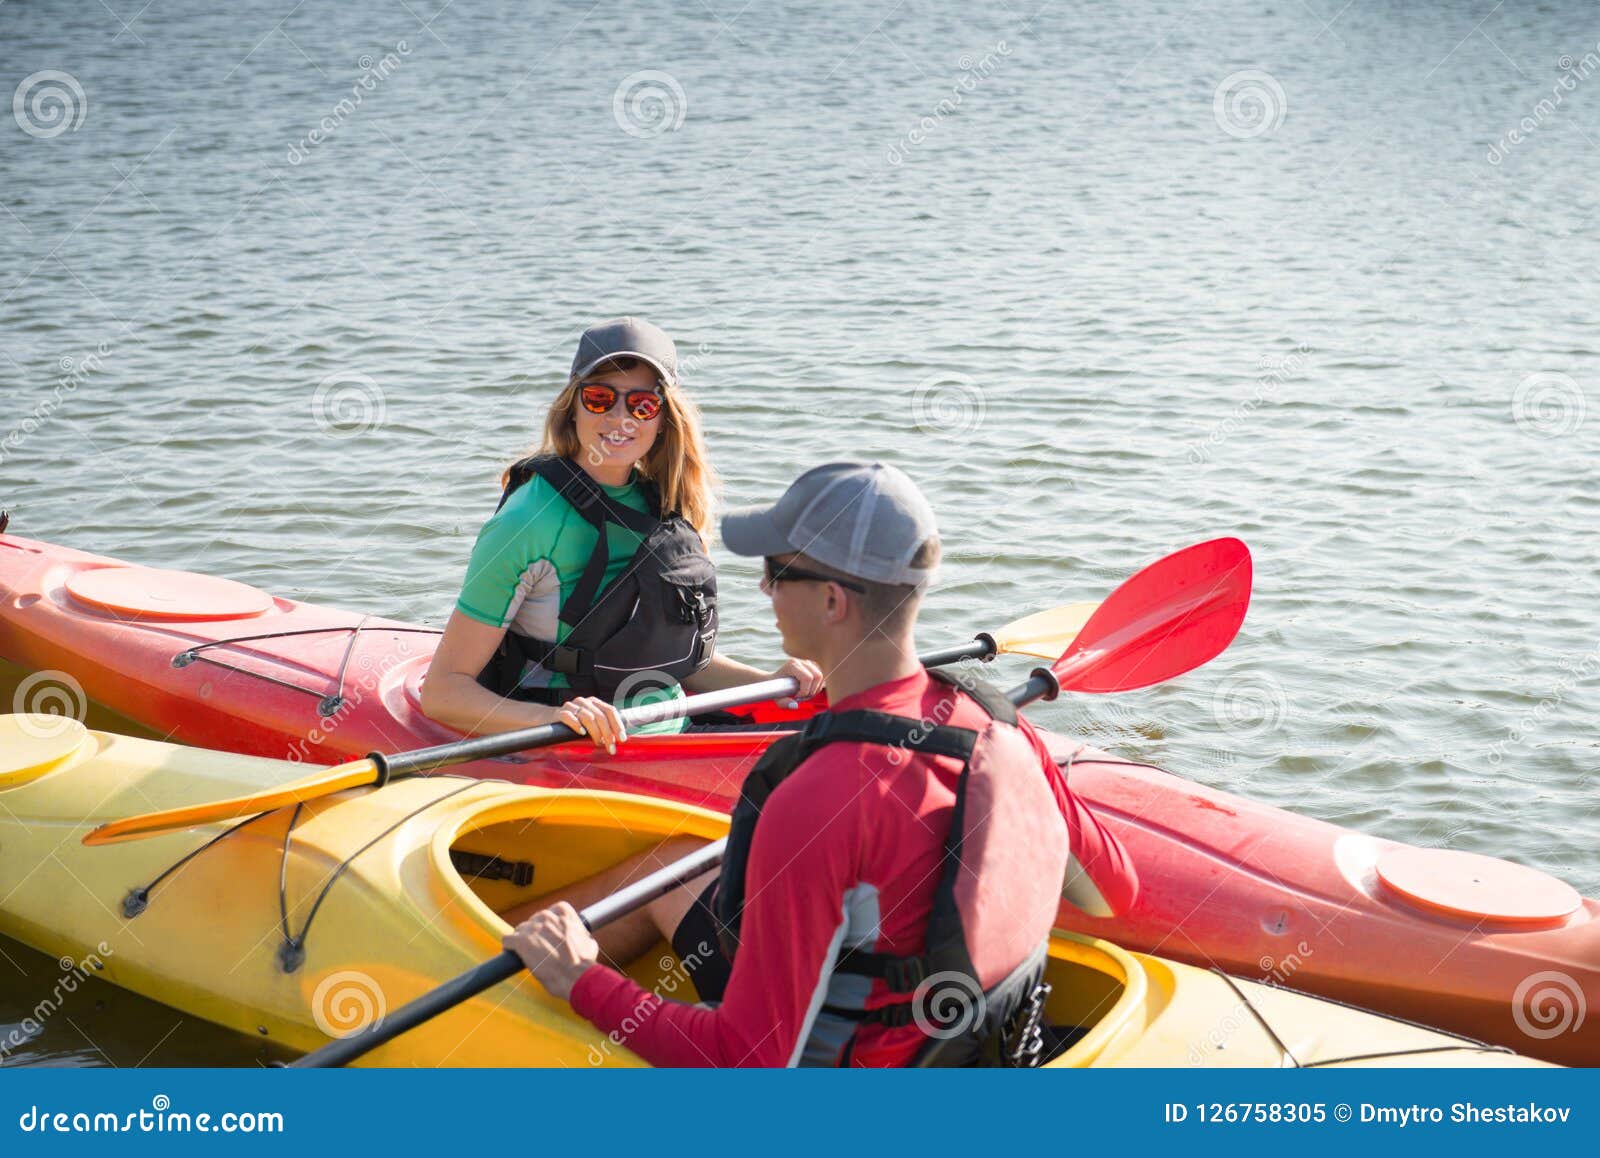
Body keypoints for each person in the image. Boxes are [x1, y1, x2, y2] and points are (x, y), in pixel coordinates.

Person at [502, 461, 1139, 1066]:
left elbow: (745, 1060)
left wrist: (580, 979)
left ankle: (502, 967)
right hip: (979, 1050)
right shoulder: (999, 724)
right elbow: (1114, 891)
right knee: (671, 872)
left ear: (833, 602)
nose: (762, 587)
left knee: (623, 923)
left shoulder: (819, 797)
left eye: (778, 572)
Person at [421, 318, 822, 751]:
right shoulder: (526, 522)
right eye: (600, 398)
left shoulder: (661, 501)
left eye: (642, 405)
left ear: (663, 418)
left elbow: (666, 659)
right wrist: (555, 717)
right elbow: (443, 692)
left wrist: (768, 681)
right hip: (585, 748)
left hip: (671, 730)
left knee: (839, 742)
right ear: (571, 406)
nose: (620, 417)